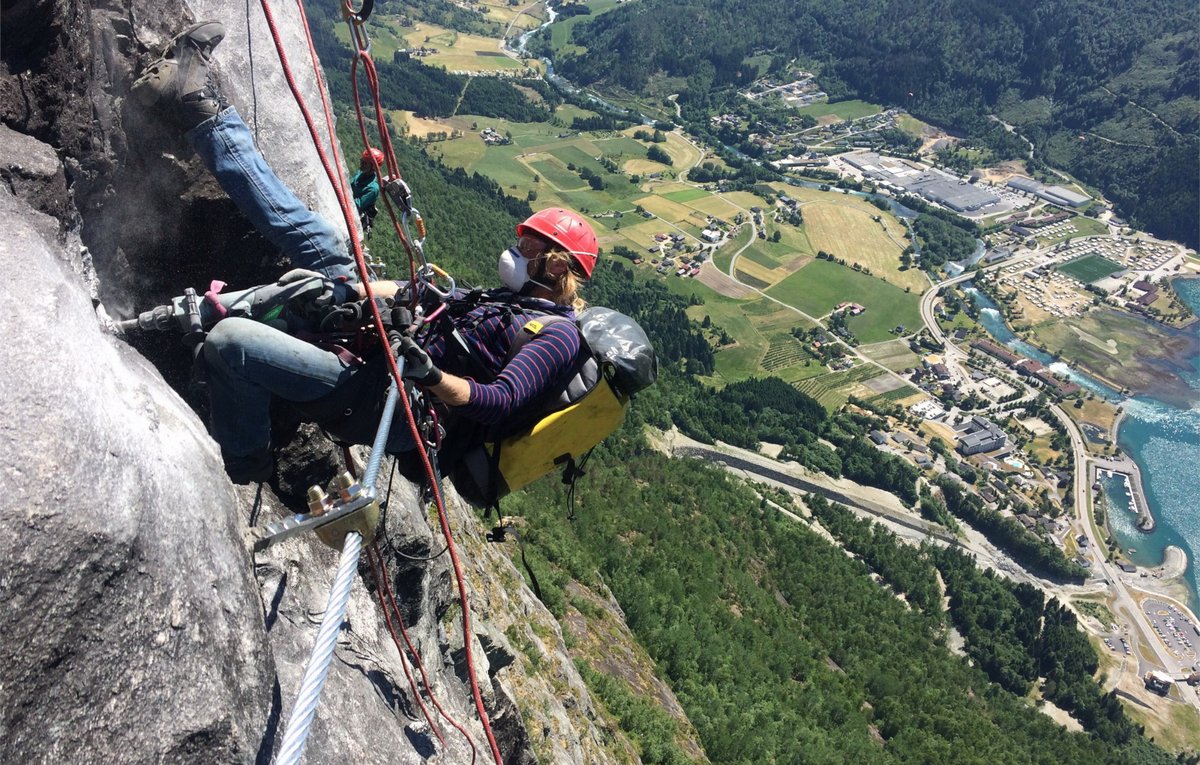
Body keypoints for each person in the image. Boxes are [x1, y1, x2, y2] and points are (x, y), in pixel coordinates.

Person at [133, 22, 600, 484]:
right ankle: (199, 109)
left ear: (556, 263)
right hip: (384, 353)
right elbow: (418, 291)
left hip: (394, 407)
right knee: (322, 245)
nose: (515, 250)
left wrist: (429, 373)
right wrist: (349, 289)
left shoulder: (558, 338)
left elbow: (498, 401)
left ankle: (245, 464)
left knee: (231, 343)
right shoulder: (509, 301)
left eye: (527, 245)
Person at [351, 148, 382, 236]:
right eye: (362, 161)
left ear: (373, 167)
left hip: (354, 216)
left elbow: (357, 205)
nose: (361, 164)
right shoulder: (360, 173)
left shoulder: (373, 189)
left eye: (365, 163)